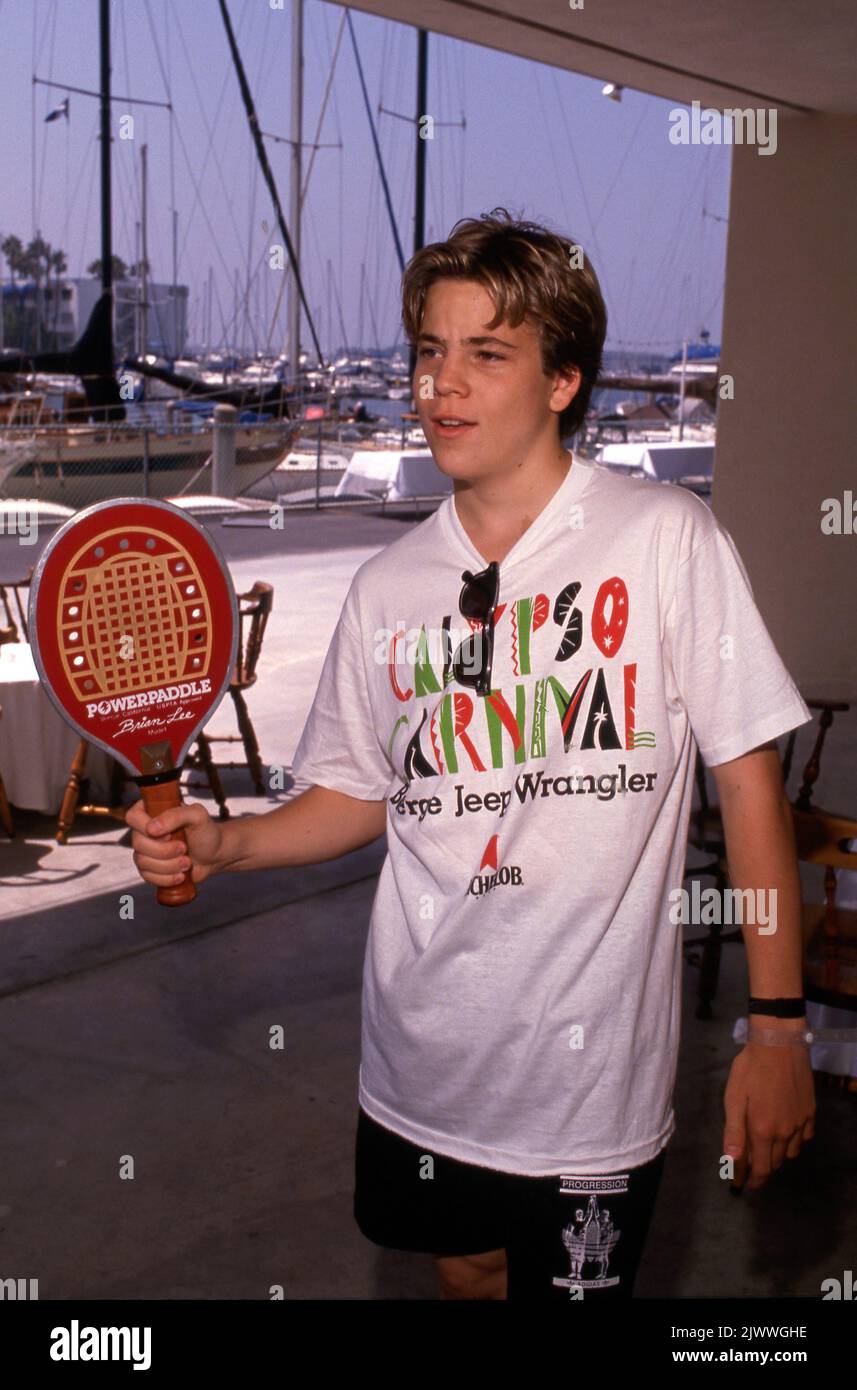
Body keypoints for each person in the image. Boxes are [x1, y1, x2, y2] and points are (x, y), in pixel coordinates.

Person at [127, 208, 816, 1302]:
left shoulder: (663, 539)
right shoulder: (386, 585)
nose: (440, 384)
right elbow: (359, 791)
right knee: (464, 1267)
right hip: (416, 1070)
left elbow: (745, 782)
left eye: (486, 354)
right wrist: (224, 843)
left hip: (588, 1096)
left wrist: (775, 1026)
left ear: (561, 382)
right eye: (428, 351)